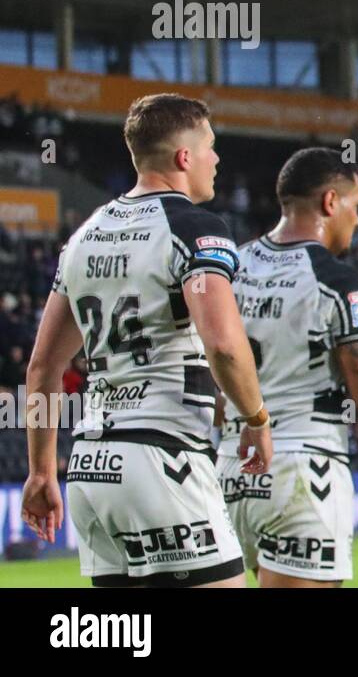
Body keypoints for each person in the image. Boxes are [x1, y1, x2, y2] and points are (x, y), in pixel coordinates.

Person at [21, 93, 271, 587]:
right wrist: (256, 418)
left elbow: (42, 368)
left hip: (91, 467)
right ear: (184, 157)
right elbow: (222, 344)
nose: (216, 159)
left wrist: (41, 471)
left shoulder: (85, 236)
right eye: (210, 147)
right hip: (164, 459)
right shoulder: (195, 229)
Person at [216, 147, 358, 587]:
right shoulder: (337, 282)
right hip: (304, 471)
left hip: (229, 471)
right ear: (330, 203)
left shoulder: (229, 268)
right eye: (355, 206)